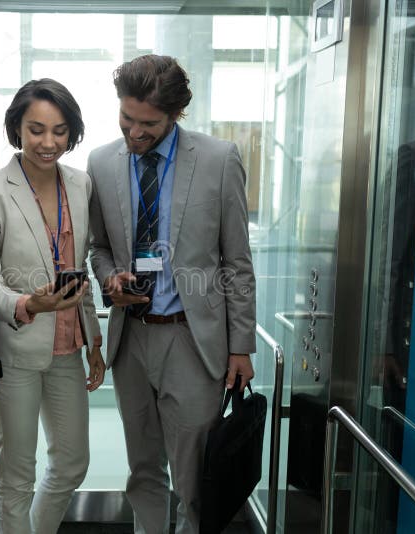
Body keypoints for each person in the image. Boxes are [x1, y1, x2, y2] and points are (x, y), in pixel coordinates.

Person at [88, 54, 257, 533]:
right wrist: (108, 279)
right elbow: (99, 248)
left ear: (176, 115)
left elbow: (237, 260)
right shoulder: (101, 162)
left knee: (193, 478)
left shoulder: (220, 159)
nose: (134, 132)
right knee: (143, 469)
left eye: (149, 123)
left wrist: (241, 344)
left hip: (192, 340)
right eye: (126, 118)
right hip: (132, 340)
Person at [0, 78, 105, 534]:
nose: (49, 142)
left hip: (68, 348)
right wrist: (30, 302)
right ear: (17, 129)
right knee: (17, 473)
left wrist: (95, 344)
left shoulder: (81, 184)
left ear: (72, 132)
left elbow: (79, 266)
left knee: (71, 462)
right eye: (37, 129)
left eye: (60, 130)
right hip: (17, 348)